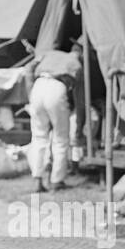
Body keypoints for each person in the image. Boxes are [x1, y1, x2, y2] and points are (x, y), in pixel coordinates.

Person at [26, 38, 85, 192]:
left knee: (38, 136)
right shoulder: (76, 63)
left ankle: (37, 179)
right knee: (60, 138)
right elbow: (79, 96)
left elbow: (29, 67)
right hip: (57, 88)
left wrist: (29, 90)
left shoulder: (49, 54)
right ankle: (56, 180)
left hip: (38, 86)